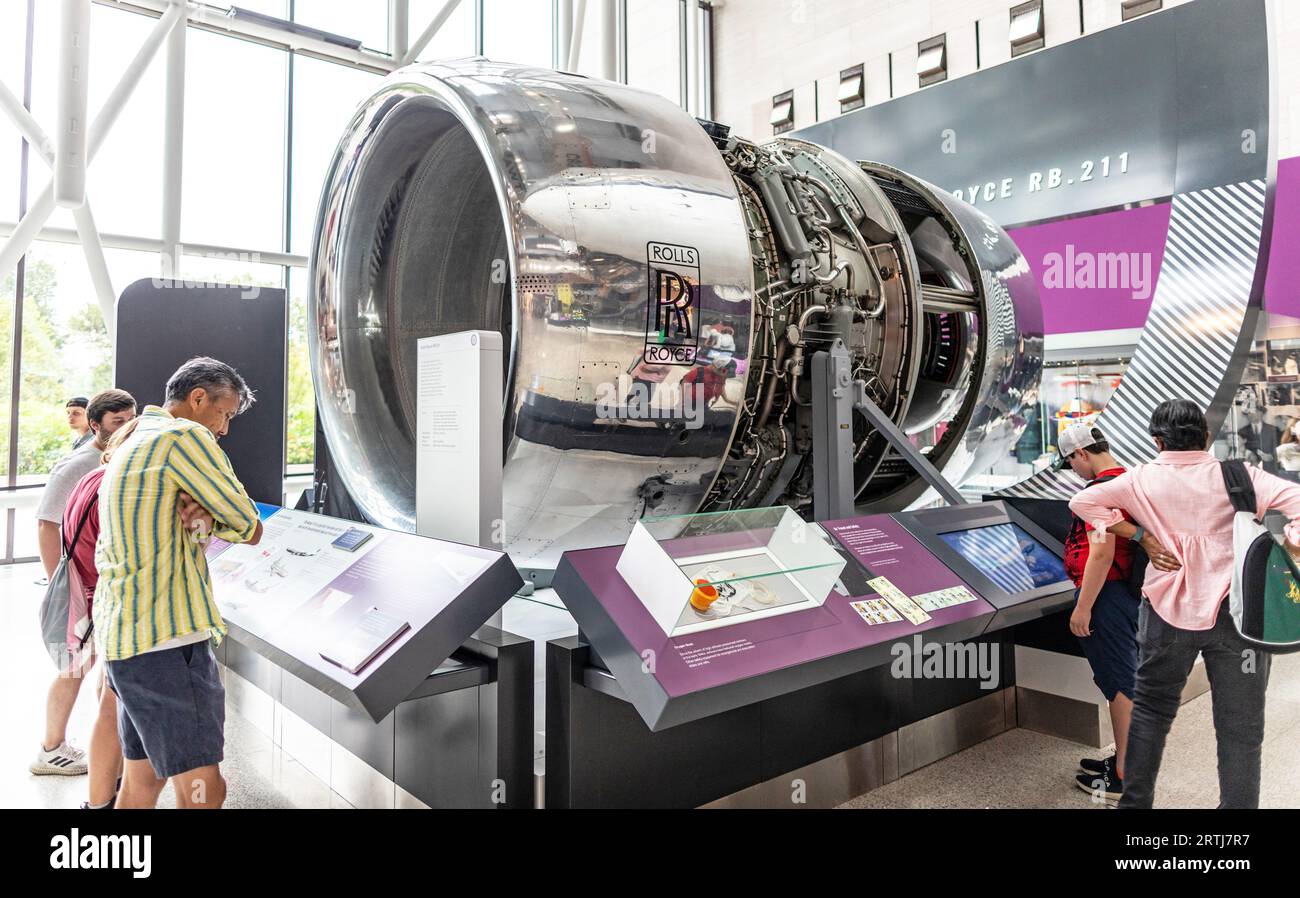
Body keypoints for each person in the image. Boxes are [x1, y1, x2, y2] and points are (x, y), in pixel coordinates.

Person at [1070, 398, 1300, 808]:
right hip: (1239, 617)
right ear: (1205, 436)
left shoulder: (1140, 479)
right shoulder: (1237, 474)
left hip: (1165, 615)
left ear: (1157, 440)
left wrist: (1142, 536)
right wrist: (1293, 546)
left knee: (1150, 717)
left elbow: (1083, 504)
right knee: (1241, 726)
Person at [94, 357, 263, 809]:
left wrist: (206, 519)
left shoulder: (133, 437)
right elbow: (249, 523)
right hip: (168, 643)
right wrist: (219, 518)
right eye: (225, 413)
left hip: (127, 638)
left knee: (142, 782)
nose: (224, 428)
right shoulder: (184, 436)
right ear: (199, 397)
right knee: (204, 789)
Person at [30, 388, 137, 777]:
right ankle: (51, 747)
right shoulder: (80, 464)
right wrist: (61, 579)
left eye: (130, 419)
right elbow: (46, 521)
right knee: (75, 666)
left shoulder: (117, 457)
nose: (127, 427)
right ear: (96, 424)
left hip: (100, 582)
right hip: (82, 583)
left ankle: (107, 743)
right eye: (118, 422)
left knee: (99, 667)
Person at [60, 418, 150, 809]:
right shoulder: (119, 489)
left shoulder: (90, 480)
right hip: (113, 599)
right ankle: (104, 798)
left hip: (94, 594)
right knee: (112, 703)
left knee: (106, 693)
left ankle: (103, 794)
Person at [1054, 423, 1138, 803]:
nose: (1072, 469)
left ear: (1082, 454)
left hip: (1106, 597)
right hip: (1126, 594)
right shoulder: (1130, 480)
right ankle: (1123, 757)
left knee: (1121, 685)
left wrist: (1083, 608)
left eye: (1070, 461)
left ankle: (1126, 776)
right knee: (1119, 678)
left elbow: (1101, 553)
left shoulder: (1100, 493)